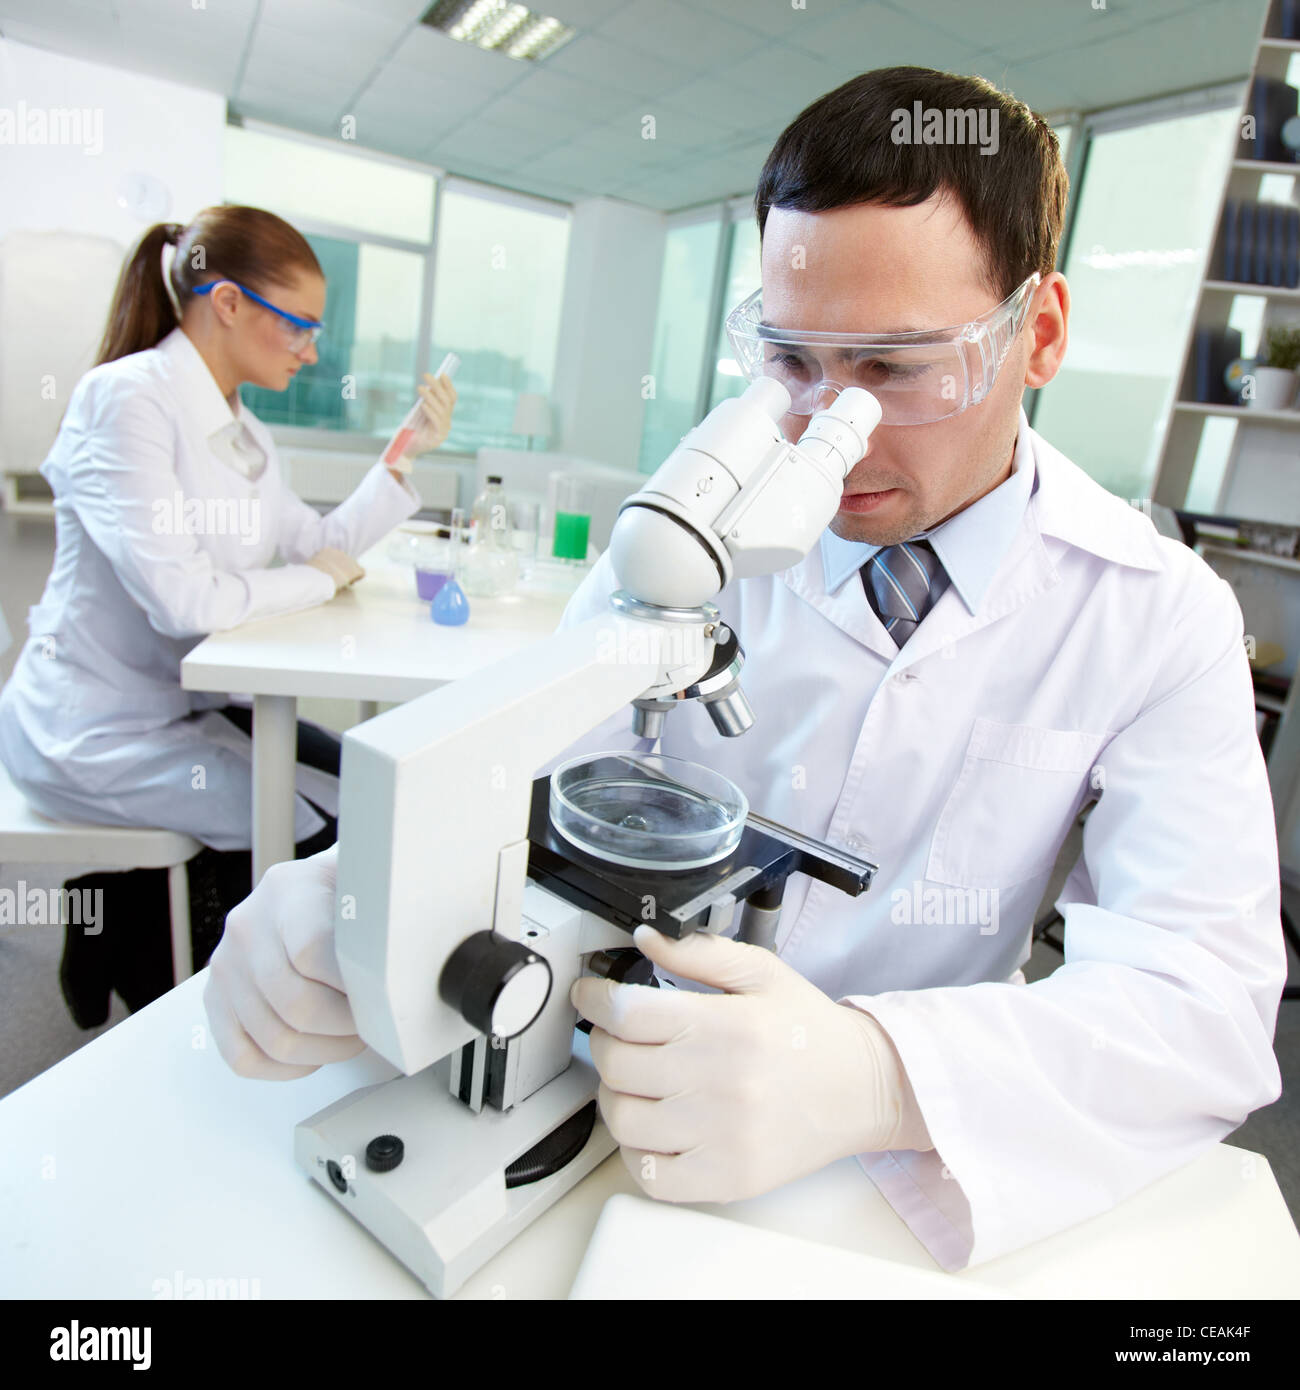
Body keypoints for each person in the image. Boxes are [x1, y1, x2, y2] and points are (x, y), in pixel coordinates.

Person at [203, 70, 1285, 1272]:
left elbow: (1203, 1002)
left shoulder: (1156, 614)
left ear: (1035, 337)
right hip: (583, 1066)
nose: (836, 423)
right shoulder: (706, 521)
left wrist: (874, 1077)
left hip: (894, 1167)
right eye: (793, 360)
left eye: (897, 366)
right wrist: (361, 893)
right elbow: (539, 767)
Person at [0, 206, 456, 1026]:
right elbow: (184, 600)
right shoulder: (126, 401)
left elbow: (318, 544)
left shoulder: (243, 427)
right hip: (92, 727)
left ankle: (117, 926)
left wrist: (403, 455)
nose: (312, 350)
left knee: (362, 783)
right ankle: (181, 995)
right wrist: (314, 581)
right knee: (307, 831)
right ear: (230, 303)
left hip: (188, 703)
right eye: (300, 326)